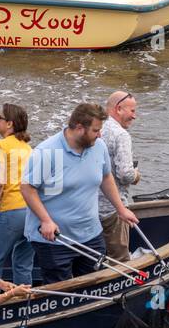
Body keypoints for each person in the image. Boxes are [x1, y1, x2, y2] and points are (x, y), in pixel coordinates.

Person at [20, 102, 138, 283]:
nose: (100, 135)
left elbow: (106, 177)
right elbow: (27, 188)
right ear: (79, 128)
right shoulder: (47, 152)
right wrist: (46, 220)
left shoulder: (99, 147)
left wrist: (121, 209)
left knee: (94, 284)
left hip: (91, 234)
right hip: (54, 239)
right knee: (61, 293)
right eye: (96, 130)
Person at [0, 103, 35, 285]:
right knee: (23, 264)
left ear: (9, 124)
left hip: (12, 212)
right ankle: (25, 307)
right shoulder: (29, 149)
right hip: (32, 212)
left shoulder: (0, 145)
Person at [98, 91, 141, 262]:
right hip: (114, 210)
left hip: (90, 208)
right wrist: (137, 175)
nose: (134, 116)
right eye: (132, 111)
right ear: (118, 109)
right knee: (120, 261)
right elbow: (125, 174)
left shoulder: (97, 129)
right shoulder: (121, 135)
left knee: (97, 260)